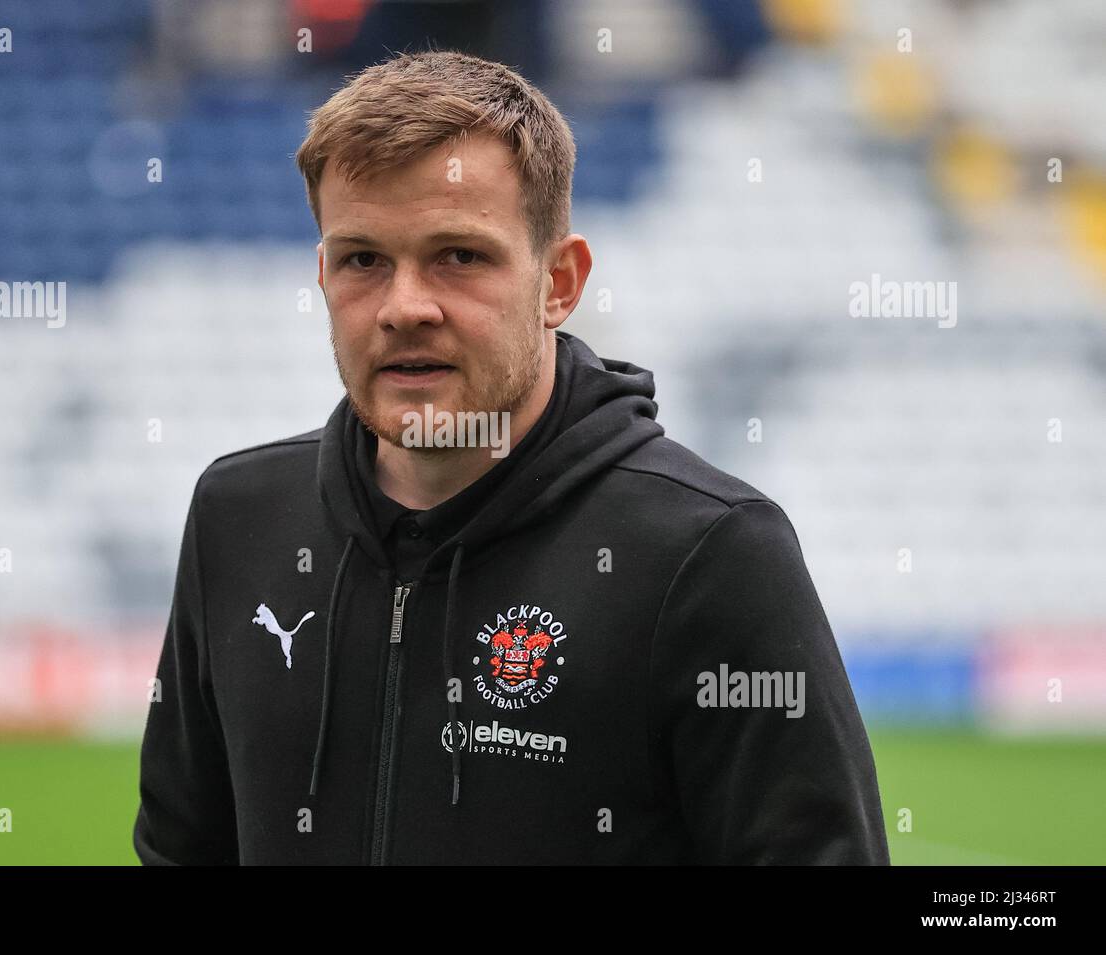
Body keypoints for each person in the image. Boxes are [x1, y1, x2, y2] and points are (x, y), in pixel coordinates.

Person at [133, 49, 890, 865]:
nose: (404, 307)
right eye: (363, 260)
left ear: (559, 282)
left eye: (459, 255)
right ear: (323, 276)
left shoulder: (710, 552)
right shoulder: (237, 517)